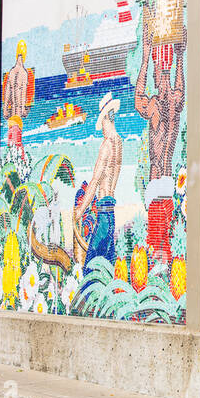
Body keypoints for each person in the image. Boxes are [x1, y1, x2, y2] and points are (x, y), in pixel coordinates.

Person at [134, 12, 185, 268]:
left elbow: (138, 96)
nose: (162, 80)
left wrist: (145, 56)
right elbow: (180, 90)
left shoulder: (156, 105)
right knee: (165, 253)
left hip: (158, 188)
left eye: (159, 73)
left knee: (158, 254)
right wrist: (179, 57)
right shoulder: (173, 103)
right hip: (165, 188)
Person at [75, 93, 122, 269]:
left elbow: (94, 182)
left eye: (102, 121)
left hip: (103, 214)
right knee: (108, 266)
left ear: (106, 119)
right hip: (111, 213)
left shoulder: (106, 146)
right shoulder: (119, 142)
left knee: (91, 266)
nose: (101, 127)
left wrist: (80, 211)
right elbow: (114, 176)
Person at [4, 40, 31, 126]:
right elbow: (23, 93)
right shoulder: (23, 73)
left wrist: (5, 108)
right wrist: (23, 108)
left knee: (12, 130)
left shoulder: (12, 71)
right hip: (18, 109)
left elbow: (7, 91)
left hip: (13, 109)